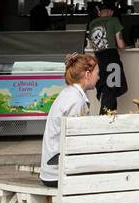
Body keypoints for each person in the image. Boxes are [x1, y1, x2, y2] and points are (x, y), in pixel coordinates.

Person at [40, 53, 98, 187]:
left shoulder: (69, 93)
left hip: (52, 170)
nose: (98, 77)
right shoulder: (76, 101)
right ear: (88, 74)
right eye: (97, 73)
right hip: (58, 173)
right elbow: (75, 142)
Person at [85, 0, 128, 113]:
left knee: (104, 90)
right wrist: (124, 46)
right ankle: (106, 117)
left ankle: (110, 116)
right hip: (112, 58)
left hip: (98, 59)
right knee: (112, 89)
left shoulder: (92, 23)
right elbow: (120, 43)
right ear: (111, 11)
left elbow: (91, 44)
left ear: (100, 12)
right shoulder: (114, 20)